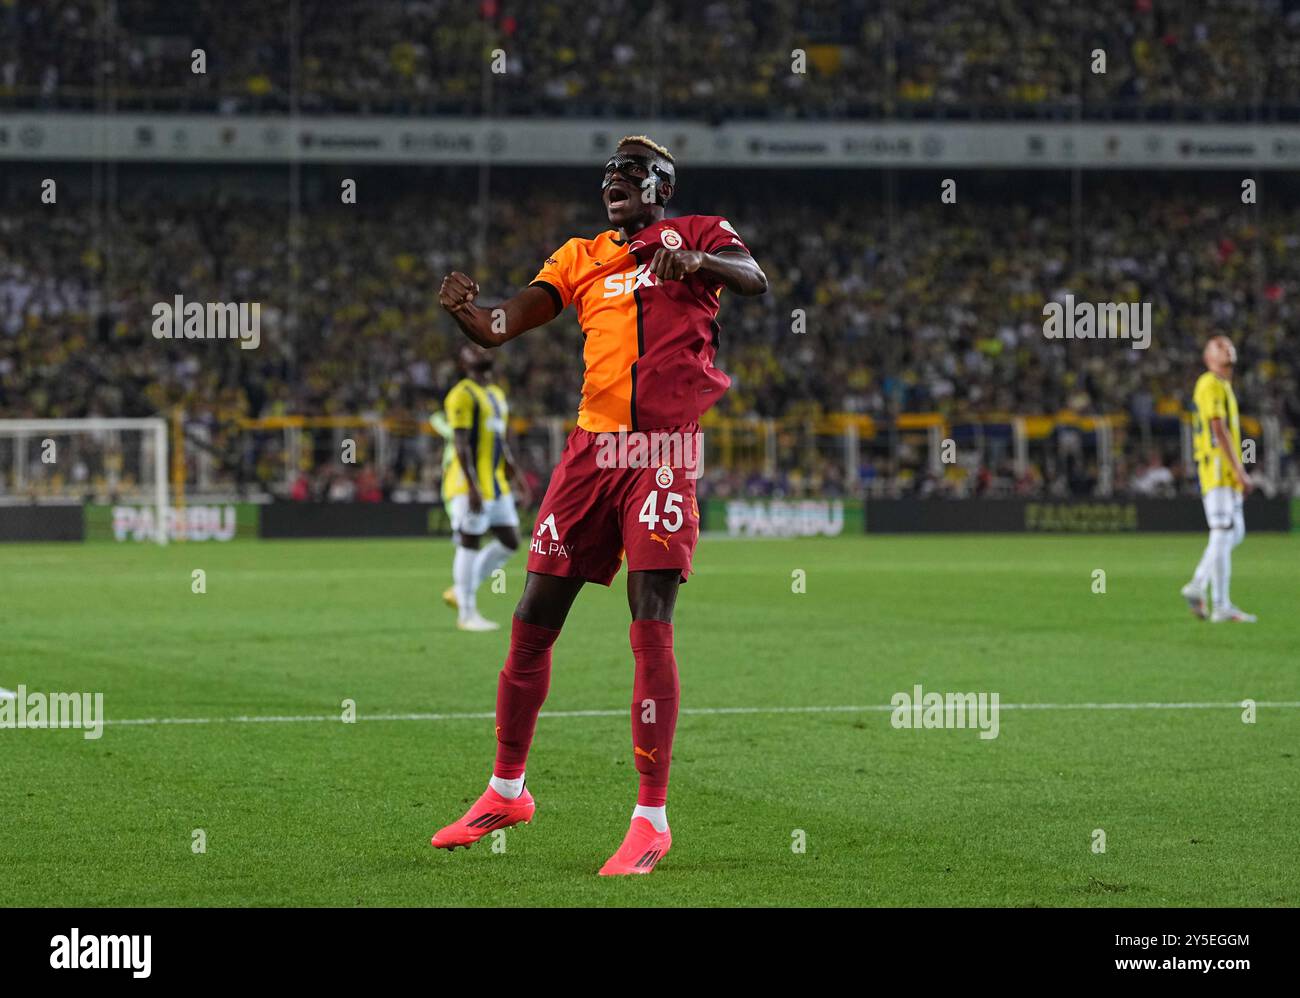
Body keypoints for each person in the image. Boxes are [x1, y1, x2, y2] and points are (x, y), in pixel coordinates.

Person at [431, 135, 767, 873]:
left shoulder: (699, 233)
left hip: (662, 453)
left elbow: (755, 278)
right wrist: (466, 311)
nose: (614, 181)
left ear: (663, 185)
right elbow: (499, 328)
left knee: (649, 621)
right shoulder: (579, 257)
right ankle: (506, 789)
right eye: (608, 174)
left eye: (631, 172)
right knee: (530, 619)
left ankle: (651, 818)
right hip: (590, 454)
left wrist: (698, 263)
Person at [440, 344, 527, 631]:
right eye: (470, 350)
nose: (478, 350)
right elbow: (461, 443)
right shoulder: (462, 395)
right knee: (470, 541)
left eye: (480, 347)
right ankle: (466, 613)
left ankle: (461, 590)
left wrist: (517, 477)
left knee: (511, 541)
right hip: (470, 485)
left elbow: (500, 442)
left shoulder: (497, 394)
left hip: (497, 484)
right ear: (464, 364)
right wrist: (472, 486)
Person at [1181, 335, 1256, 622]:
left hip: (1224, 469)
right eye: (1218, 345)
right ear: (1208, 358)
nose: (1227, 347)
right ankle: (1203, 589)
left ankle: (1215, 598)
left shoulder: (1223, 385)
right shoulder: (1209, 383)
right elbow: (1217, 428)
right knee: (1224, 530)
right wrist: (1239, 469)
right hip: (1216, 467)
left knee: (1232, 533)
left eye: (1228, 344)